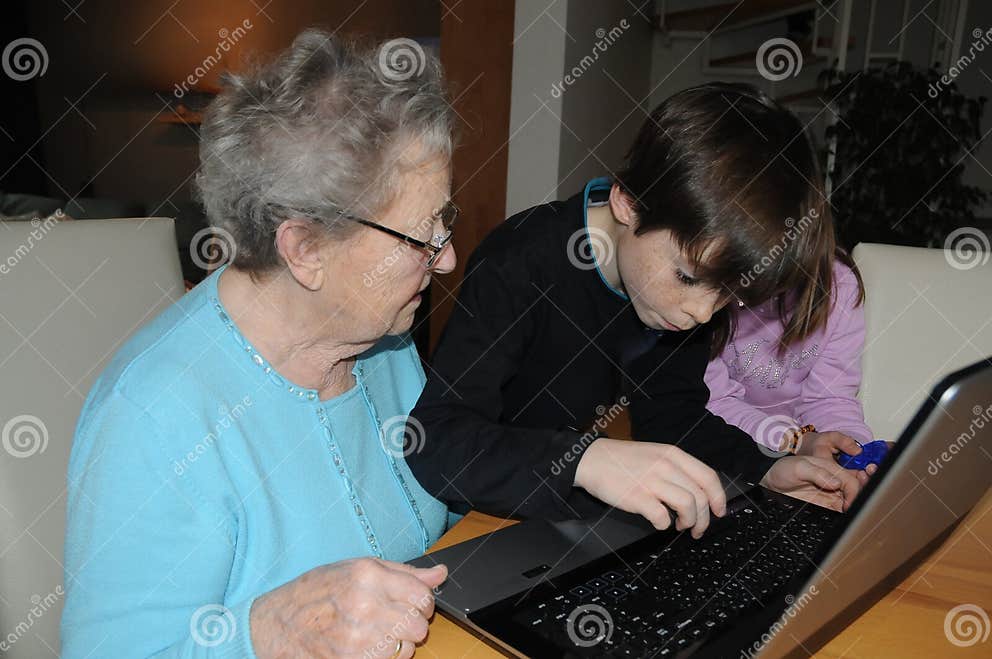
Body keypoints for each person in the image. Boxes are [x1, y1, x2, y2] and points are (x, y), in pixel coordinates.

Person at [62, 30, 457, 659]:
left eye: (444, 220)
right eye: (421, 236)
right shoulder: (154, 418)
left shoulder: (377, 336)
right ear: (305, 250)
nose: (447, 257)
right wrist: (266, 632)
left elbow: (445, 513)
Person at [407, 83, 868, 538]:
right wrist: (585, 459)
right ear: (627, 203)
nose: (702, 313)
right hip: (486, 520)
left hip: (580, 517)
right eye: (687, 277)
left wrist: (766, 469)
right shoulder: (519, 262)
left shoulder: (675, 296)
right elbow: (438, 439)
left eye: (729, 293)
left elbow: (672, 414)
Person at [704, 249, 875, 459]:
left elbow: (831, 399)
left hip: (798, 445)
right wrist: (794, 441)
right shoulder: (707, 277)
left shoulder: (839, 285)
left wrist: (851, 449)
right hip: (720, 443)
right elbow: (711, 401)